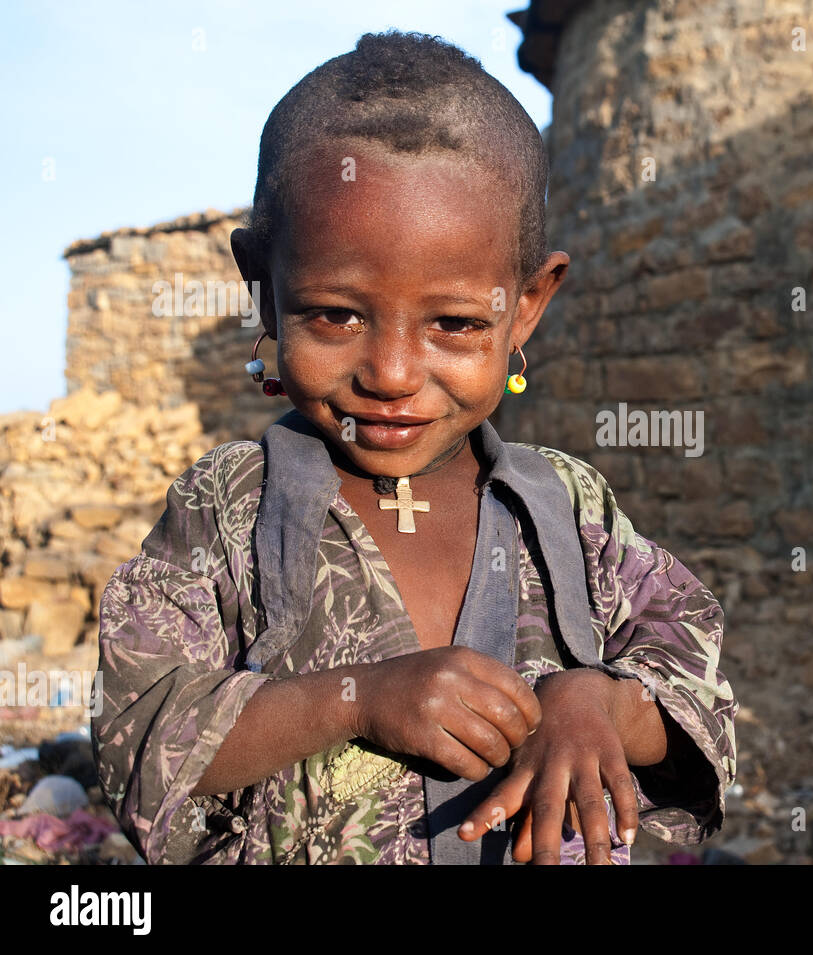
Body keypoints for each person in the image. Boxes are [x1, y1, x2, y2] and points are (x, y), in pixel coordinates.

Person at [92, 30, 737, 865]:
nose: (392, 374)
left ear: (527, 307)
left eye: (457, 324)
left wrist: (599, 703)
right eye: (335, 315)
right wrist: (353, 700)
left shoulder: (566, 508)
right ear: (264, 288)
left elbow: (697, 682)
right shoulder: (228, 507)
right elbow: (136, 729)